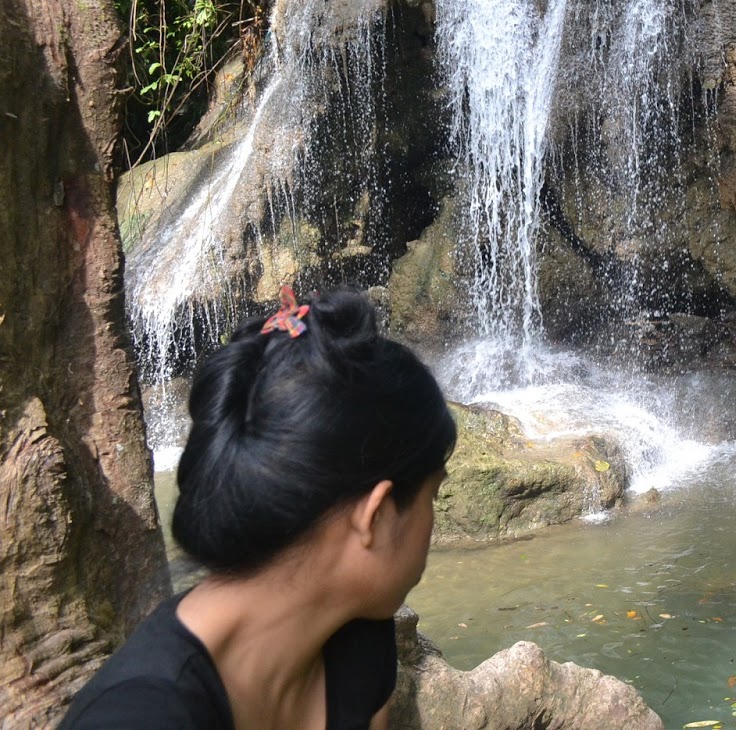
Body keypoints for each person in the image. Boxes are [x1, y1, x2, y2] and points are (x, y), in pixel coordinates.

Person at [61, 287, 457, 730]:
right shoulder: (137, 717)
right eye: (433, 495)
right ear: (377, 516)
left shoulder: (359, 638)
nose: (431, 523)